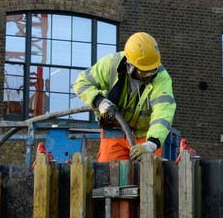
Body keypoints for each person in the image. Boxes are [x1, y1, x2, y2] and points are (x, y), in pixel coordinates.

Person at [72, 31, 176, 162]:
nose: (149, 76)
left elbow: (163, 113)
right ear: (129, 65)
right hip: (114, 132)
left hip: (145, 136)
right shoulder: (111, 64)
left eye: (152, 71)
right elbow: (81, 83)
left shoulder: (161, 78)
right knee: (109, 176)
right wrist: (99, 101)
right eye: (143, 72)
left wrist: (152, 143)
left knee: (151, 175)